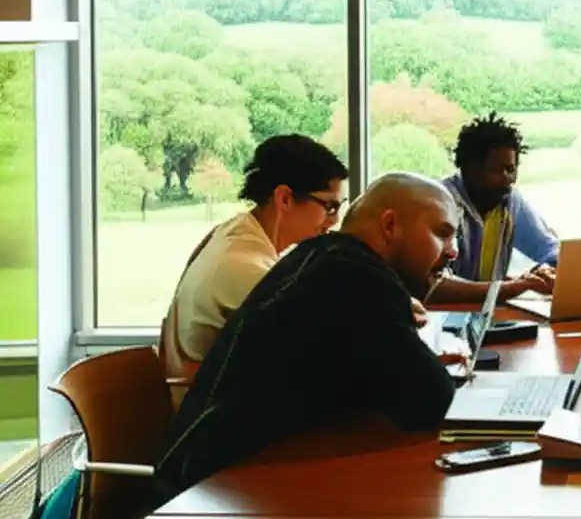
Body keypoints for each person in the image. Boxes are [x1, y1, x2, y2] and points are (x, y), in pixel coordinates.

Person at [151, 173, 461, 508]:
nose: (453, 251)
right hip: (217, 494)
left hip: (226, 480)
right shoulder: (356, 279)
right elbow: (433, 403)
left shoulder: (320, 258)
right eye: (442, 233)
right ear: (389, 225)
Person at [159, 135, 350, 389]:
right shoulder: (245, 267)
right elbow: (324, 344)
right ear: (284, 198)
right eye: (330, 206)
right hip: (208, 418)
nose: (334, 220)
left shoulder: (232, 232)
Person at [432, 112, 558, 303]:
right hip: (443, 318)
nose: (506, 178)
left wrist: (543, 270)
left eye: (511, 169)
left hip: (487, 317)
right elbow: (436, 285)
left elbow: (550, 250)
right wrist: (512, 287)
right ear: (469, 169)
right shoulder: (441, 203)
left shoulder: (510, 201)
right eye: (496, 170)